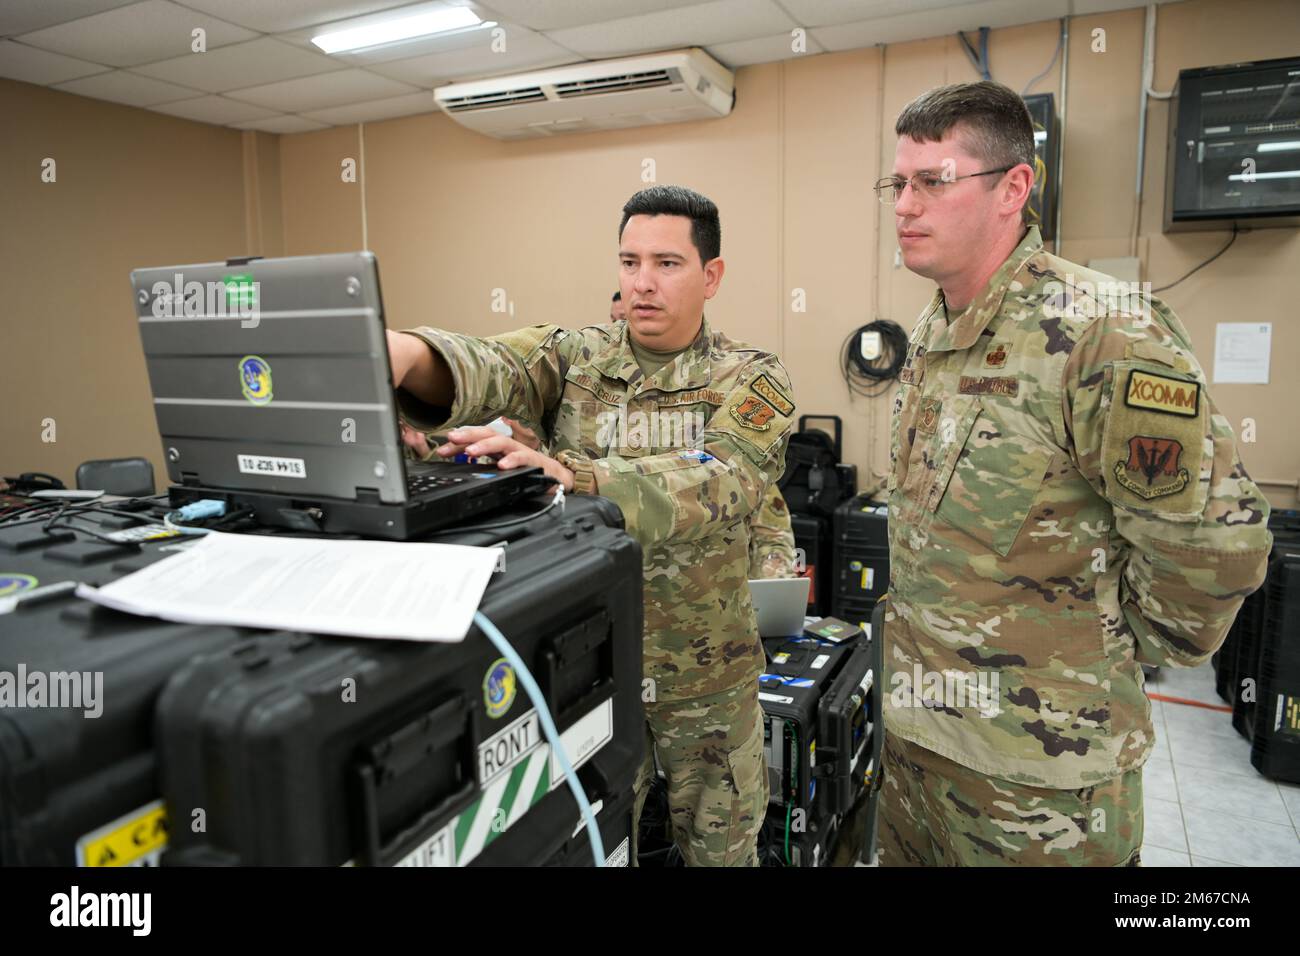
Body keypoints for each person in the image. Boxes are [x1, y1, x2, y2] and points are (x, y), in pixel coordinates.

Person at [877, 80, 1272, 866]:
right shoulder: (935, 328)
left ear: (1013, 189)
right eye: (898, 183)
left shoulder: (1103, 331)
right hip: (919, 746)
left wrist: (1113, 645)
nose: (904, 206)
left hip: (1040, 784)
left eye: (933, 181)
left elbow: (1219, 544)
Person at [386, 184, 797, 866]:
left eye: (666, 263)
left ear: (711, 276)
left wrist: (575, 476)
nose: (643, 283)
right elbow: (496, 365)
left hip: (708, 681)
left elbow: (723, 480)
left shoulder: (750, 377)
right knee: (598, 842)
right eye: (629, 261)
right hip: (596, 668)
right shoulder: (576, 358)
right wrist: (404, 353)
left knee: (720, 851)